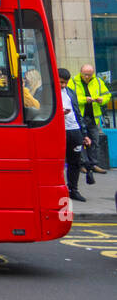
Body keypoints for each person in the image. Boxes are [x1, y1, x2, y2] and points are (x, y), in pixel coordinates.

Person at [67, 64, 110, 180]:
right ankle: (82, 164)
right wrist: (84, 100)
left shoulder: (98, 81)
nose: (87, 77)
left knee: (94, 141)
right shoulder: (73, 82)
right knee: (80, 141)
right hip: (79, 117)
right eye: (85, 74)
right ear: (81, 72)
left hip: (93, 117)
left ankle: (93, 164)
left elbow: (107, 95)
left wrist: (102, 100)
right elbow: (70, 97)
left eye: (89, 75)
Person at [60, 68, 86, 201]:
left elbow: (78, 113)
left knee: (75, 162)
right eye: (61, 82)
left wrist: (84, 134)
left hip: (74, 130)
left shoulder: (71, 92)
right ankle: (58, 190)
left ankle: (73, 189)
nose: (63, 85)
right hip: (58, 130)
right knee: (57, 163)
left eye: (65, 82)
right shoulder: (46, 92)